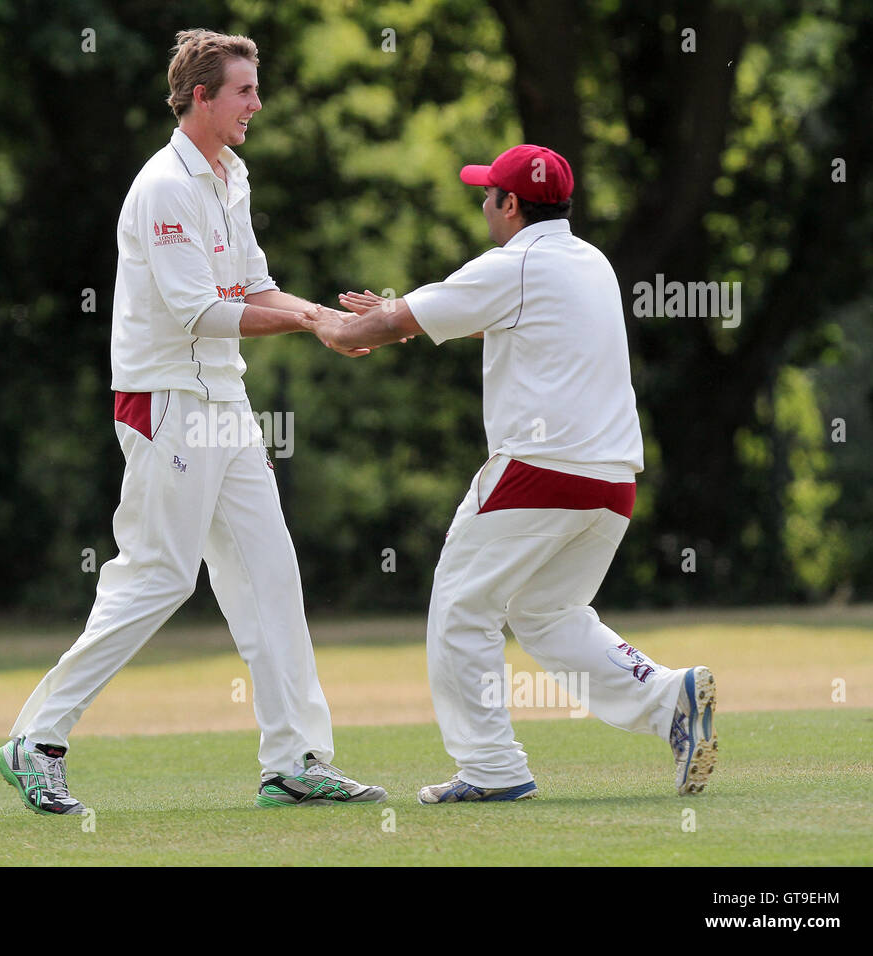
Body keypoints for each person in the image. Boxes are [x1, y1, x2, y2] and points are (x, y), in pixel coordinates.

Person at [0, 29, 386, 813]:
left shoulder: (229, 176)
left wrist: (318, 315)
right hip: (165, 398)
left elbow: (254, 284)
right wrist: (316, 325)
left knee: (271, 574)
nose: (256, 104)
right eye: (243, 90)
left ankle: (295, 760)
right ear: (200, 96)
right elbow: (203, 312)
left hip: (225, 406)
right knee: (158, 575)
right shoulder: (164, 185)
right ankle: (34, 740)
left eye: (255, 88)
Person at [299, 144, 718, 802]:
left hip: (539, 473)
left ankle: (492, 769)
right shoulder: (590, 262)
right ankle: (669, 701)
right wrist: (398, 319)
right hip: (611, 482)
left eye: (488, 194)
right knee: (547, 613)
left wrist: (323, 320)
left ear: (511, 204)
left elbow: (367, 335)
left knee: (461, 612)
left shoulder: (511, 264)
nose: (483, 203)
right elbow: (503, 319)